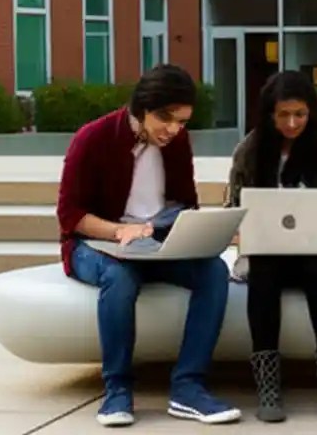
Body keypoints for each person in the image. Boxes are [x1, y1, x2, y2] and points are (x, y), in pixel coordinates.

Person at [56, 64, 240, 427]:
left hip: (155, 244)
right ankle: (117, 391)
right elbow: (70, 215)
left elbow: (186, 204)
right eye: (165, 118)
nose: (173, 130)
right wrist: (118, 232)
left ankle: (188, 387)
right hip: (95, 244)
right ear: (141, 107)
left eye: (182, 122)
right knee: (120, 278)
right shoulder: (92, 138)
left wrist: (198, 231)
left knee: (214, 271)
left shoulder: (177, 144)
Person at [223, 70, 317, 423]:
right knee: (264, 279)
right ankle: (268, 386)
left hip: (316, 251)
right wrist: (244, 235)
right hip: (266, 252)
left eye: (300, 114)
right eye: (283, 115)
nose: (292, 123)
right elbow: (232, 209)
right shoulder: (250, 150)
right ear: (269, 114)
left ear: (312, 111)